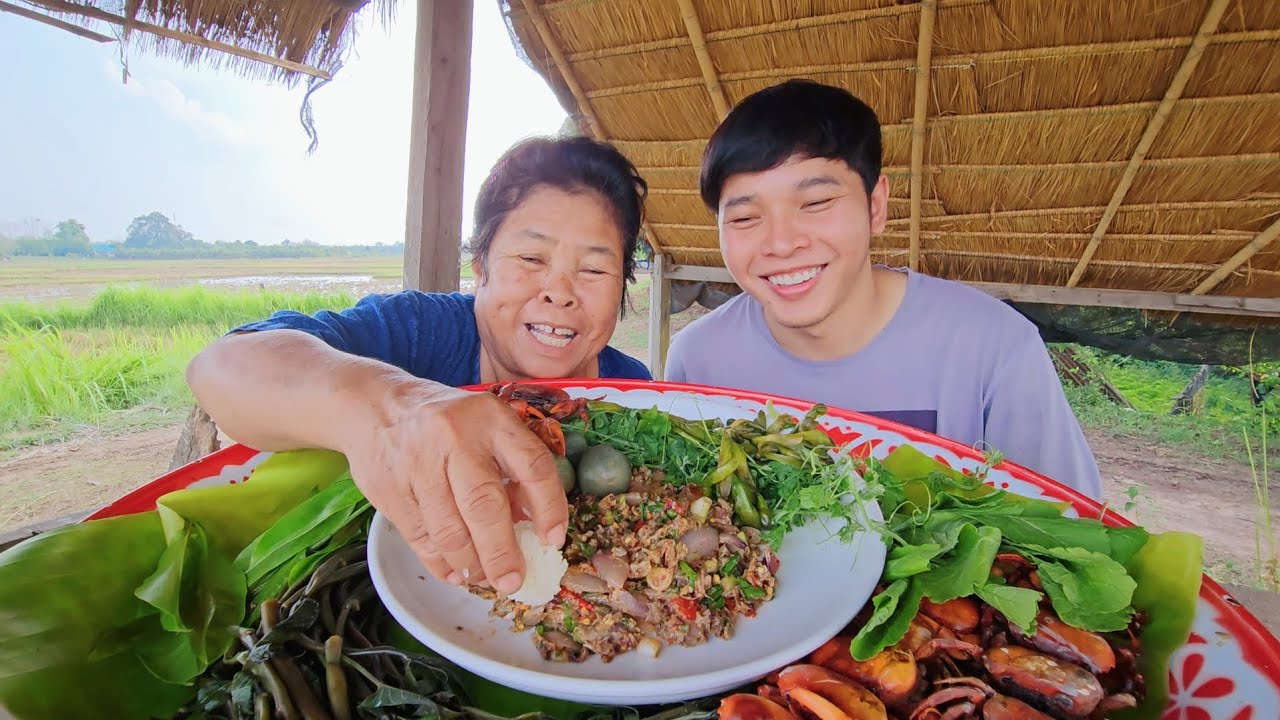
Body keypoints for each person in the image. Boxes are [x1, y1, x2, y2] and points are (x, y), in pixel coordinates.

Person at [186, 136, 652, 597]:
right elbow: (220, 367)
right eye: (531, 258)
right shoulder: (418, 332)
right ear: (480, 266)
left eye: (593, 270)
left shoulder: (638, 394)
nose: (560, 290)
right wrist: (394, 408)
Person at [664, 79, 1103, 500]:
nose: (781, 244)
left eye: (816, 203)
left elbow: (1070, 536)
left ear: (875, 206)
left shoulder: (992, 346)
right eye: (744, 218)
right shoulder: (698, 360)